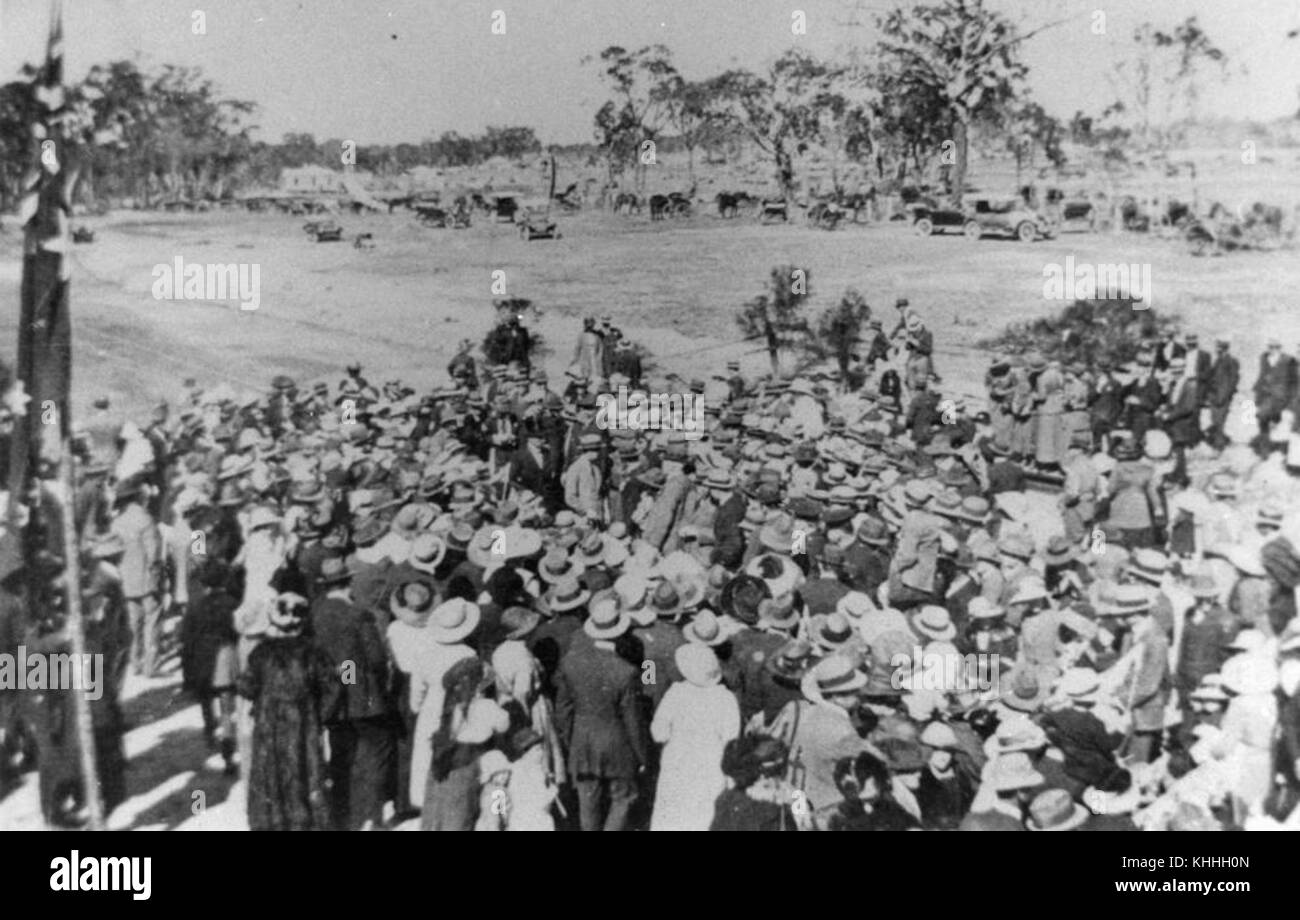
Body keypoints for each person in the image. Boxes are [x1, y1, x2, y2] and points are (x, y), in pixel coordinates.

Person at [238, 593, 338, 831]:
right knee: (304, 775)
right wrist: (319, 716)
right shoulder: (314, 653)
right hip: (304, 727)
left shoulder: (261, 652)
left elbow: (245, 686)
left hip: (268, 725)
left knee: (269, 776)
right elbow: (333, 688)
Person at [555, 591, 648, 830]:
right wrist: (642, 755)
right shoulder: (626, 671)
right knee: (623, 798)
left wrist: (569, 740)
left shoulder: (571, 662)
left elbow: (563, 710)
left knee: (588, 803)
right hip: (617, 744)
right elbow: (633, 721)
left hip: (582, 741)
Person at [649, 643, 740, 831]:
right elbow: (732, 740)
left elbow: (659, 734)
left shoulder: (676, 693)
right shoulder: (727, 699)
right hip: (711, 768)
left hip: (677, 765)